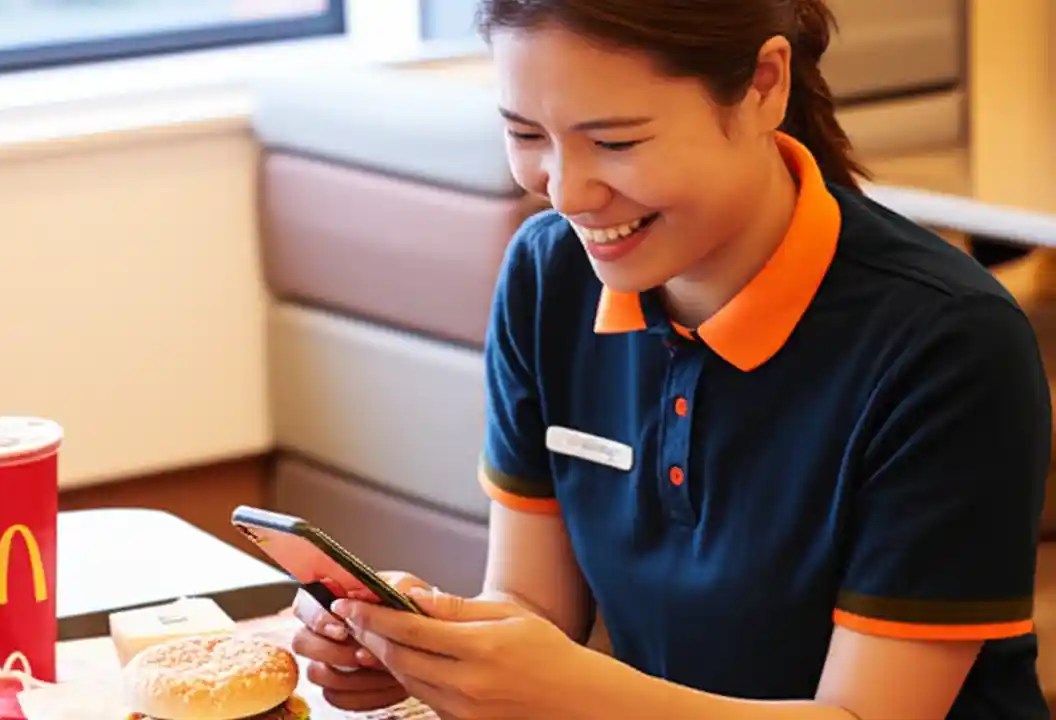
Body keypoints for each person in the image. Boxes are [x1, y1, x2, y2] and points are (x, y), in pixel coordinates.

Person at [289, 1, 1053, 718]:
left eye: (616, 142)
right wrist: (430, 642)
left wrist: (574, 695)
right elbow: (531, 608)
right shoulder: (549, 276)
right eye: (526, 136)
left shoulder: (947, 344)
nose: (567, 191)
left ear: (763, 85)